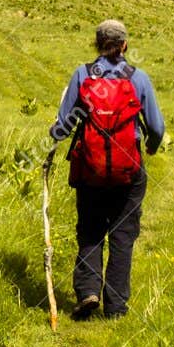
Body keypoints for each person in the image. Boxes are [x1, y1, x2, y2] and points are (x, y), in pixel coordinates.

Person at [50, 19, 165, 321]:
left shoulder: (82, 74)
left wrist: (55, 133)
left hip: (90, 168)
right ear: (124, 45)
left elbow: (64, 125)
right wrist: (152, 145)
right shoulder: (138, 78)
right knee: (122, 235)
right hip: (129, 170)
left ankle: (88, 291)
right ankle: (115, 308)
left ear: (97, 43)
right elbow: (157, 126)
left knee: (90, 230)